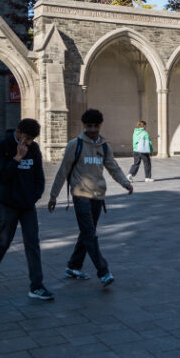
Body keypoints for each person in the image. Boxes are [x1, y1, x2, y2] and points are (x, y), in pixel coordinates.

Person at [47, 108, 133, 287]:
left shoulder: (104, 146)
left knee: (88, 233)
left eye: (95, 126)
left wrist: (125, 183)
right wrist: (53, 195)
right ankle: (103, 271)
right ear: (84, 125)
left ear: (100, 126)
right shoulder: (75, 145)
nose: (92, 129)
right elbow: (63, 171)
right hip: (80, 194)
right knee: (89, 234)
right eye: (88, 126)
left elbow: (113, 167)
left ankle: (73, 266)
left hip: (98, 196)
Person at [0, 118, 53, 301]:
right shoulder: (2, 146)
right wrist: (17, 158)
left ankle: (36, 286)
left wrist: (35, 195)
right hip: (7, 204)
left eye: (32, 139)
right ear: (19, 132)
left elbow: (39, 177)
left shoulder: (34, 149)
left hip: (27, 205)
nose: (29, 143)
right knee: (3, 242)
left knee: (33, 243)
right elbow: (2, 176)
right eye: (27, 138)